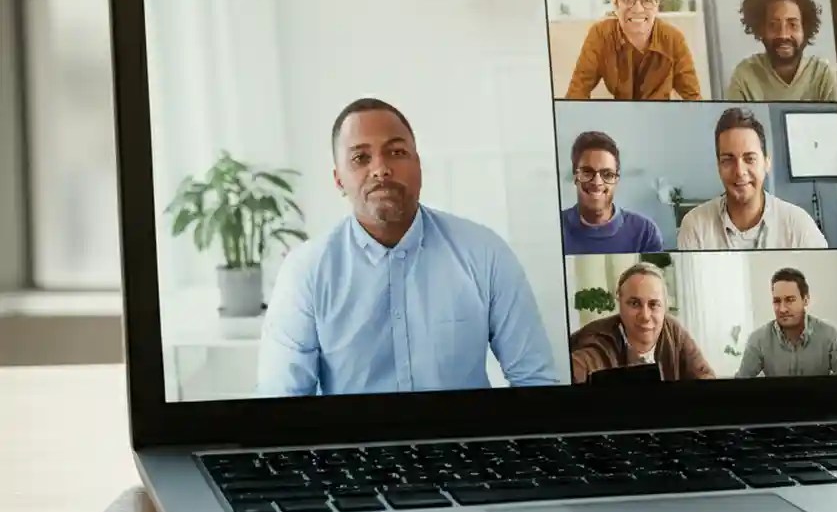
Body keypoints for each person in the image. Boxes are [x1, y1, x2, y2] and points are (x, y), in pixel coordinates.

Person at [257, 97, 559, 396]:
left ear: (418, 166)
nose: (381, 169)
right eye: (361, 158)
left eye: (396, 152)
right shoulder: (306, 271)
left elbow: (535, 381)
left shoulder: (484, 253)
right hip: (355, 442)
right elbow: (281, 404)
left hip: (464, 440)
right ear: (338, 180)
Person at [676, 107, 828, 250]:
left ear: (767, 163)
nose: (740, 171)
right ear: (718, 166)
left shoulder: (798, 225)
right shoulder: (695, 225)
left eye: (749, 159)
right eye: (728, 160)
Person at [564, 0, 702, 100]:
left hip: (660, 119)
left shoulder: (673, 40)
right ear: (615, 2)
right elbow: (576, 95)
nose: (638, 9)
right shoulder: (600, 35)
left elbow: (694, 101)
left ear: (656, 3)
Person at [568, 262, 715, 383]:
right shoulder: (598, 340)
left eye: (654, 304)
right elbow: (573, 371)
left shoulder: (673, 331)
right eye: (634, 303)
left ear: (665, 307)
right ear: (620, 303)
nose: (645, 316)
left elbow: (706, 379)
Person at [725, 0, 837, 102]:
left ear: (805, 29)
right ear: (761, 29)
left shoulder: (823, 75)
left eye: (793, 25)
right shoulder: (745, 75)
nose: (783, 34)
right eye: (774, 25)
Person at [736, 267, 837, 378]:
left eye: (790, 300)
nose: (782, 309)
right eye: (777, 301)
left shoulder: (830, 335)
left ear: (805, 300)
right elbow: (740, 383)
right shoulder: (758, 339)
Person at [560, 131, 663, 255]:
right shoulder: (554, 229)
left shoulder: (645, 232)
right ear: (575, 176)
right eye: (587, 172)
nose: (597, 182)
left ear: (616, 179)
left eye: (607, 174)